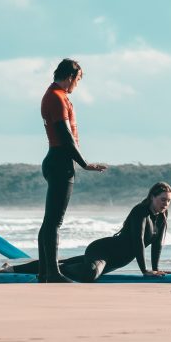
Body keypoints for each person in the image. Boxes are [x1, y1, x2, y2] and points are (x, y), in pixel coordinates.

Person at [0, 182, 171, 282]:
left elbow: (157, 245)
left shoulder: (163, 216)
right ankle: (44, 272)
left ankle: (11, 268)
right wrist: (145, 271)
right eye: (162, 199)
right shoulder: (140, 212)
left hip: (116, 259)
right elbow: (138, 242)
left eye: (168, 201)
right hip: (104, 251)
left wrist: (156, 269)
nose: (165, 204)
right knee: (89, 274)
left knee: (66, 264)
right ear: (152, 197)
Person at [38, 58, 107, 283]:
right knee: (54, 223)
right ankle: (52, 273)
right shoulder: (57, 98)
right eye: (77, 80)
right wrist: (84, 163)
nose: (77, 85)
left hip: (56, 160)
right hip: (60, 161)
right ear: (69, 77)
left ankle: (44, 272)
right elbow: (66, 136)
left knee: (49, 222)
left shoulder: (55, 95)